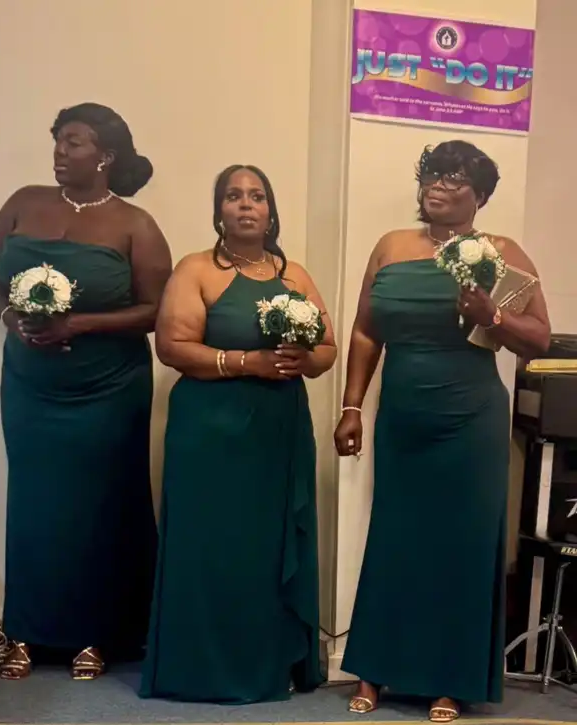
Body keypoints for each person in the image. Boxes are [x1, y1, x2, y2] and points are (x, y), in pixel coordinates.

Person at [334, 140, 550, 722]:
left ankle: (449, 680)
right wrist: (352, 406)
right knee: (394, 540)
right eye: (433, 174)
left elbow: (538, 339)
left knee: (460, 549)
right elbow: (365, 331)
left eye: (455, 178)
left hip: (471, 420)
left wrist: (493, 316)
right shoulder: (391, 247)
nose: (438, 185)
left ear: (481, 196)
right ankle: (374, 669)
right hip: (403, 417)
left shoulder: (502, 253)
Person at [0, 102, 172, 680]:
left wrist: (78, 324)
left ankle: (97, 632)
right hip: (30, 384)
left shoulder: (136, 225)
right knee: (33, 503)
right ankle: (27, 631)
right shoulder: (23, 201)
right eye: (58, 141)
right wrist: (10, 317)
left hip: (107, 388)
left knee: (99, 505)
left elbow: (157, 310)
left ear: (105, 156)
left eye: (73, 142)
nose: (60, 152)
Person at [139, 164, 336, 704]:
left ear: (271, 212)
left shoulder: (294, 275)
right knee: (212, 546)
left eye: (257, 196)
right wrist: (247, 362)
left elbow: (327, 348)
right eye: (234, 196)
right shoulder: (196, 269)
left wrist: (304, 359)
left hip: (278, 431)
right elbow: (172, 347)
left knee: (266, 549)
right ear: (219, 211)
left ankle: (270, 662)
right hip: (211, 432)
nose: (246, 204)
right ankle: (200, 669)